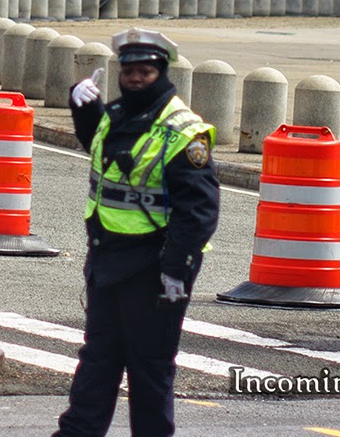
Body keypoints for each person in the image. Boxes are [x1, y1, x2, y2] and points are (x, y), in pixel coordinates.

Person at [53, 28, 220, 437]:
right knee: (99, 358)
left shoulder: (184, 130)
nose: (134, 78)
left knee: (149, 365)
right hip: (108, 254)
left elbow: (198, 211)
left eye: (144, 71)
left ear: (161, 72)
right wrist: (83, 109)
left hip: (155, 263)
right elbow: (102, 150)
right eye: (128, 70)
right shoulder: (115, 114)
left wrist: (176, 269)